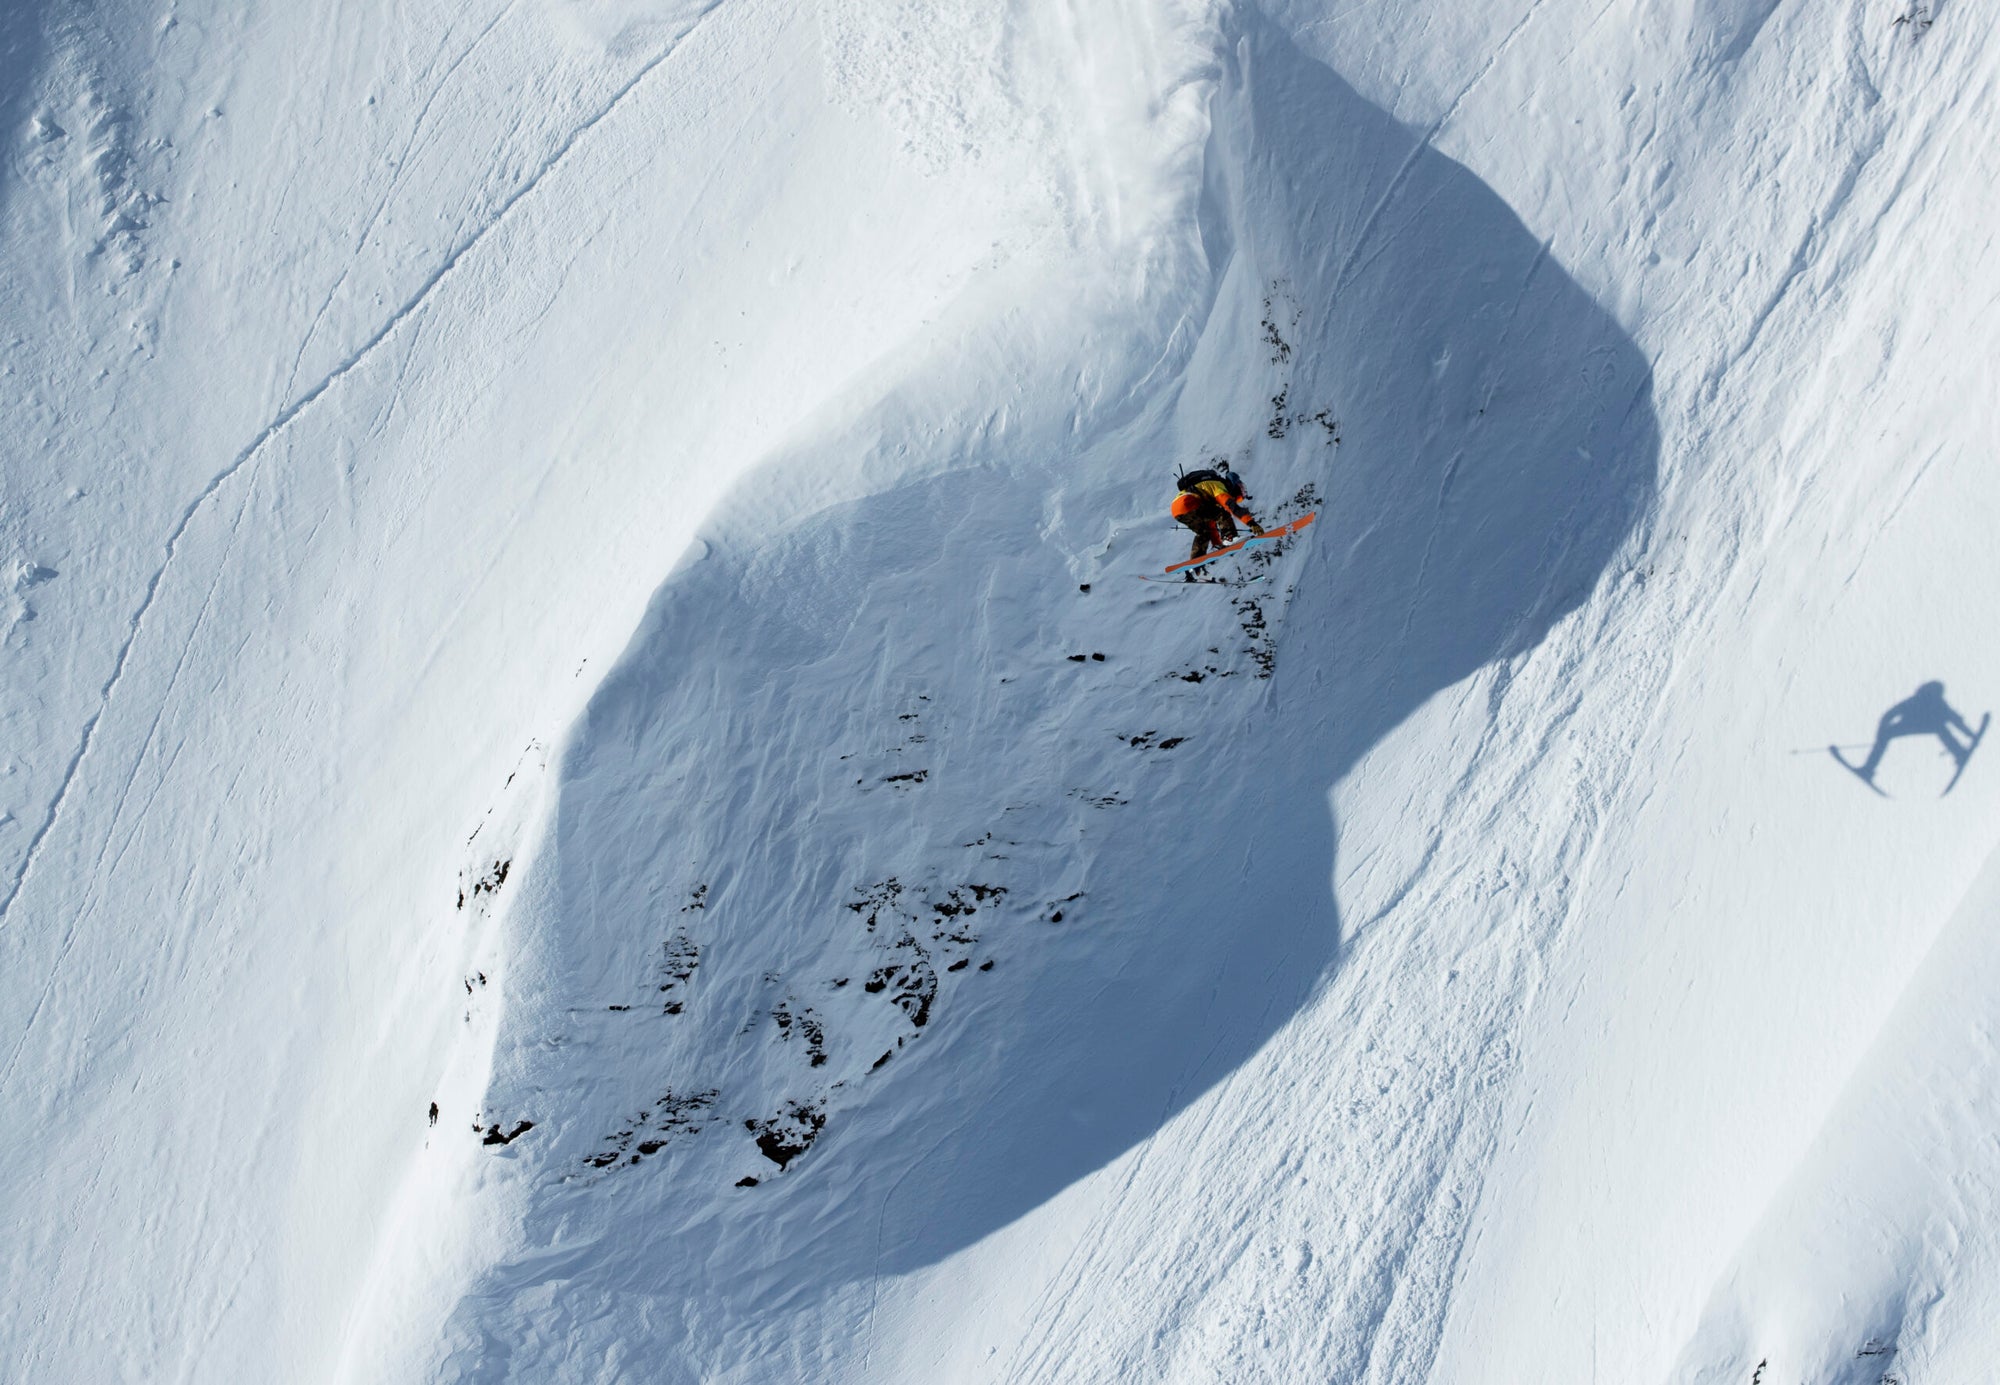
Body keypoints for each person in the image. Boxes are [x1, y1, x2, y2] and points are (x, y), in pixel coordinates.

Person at [1171, 464, 1263, 572]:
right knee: (1222, 513)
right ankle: (1230, 537)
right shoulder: (1219, 485)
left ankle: (1196, 564)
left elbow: (1211, 522)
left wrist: (1217, 544)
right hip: (1190, 501)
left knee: (1204, 532)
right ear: (1234, 486)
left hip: (1177, 509)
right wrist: (1251, 523)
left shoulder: (1208, 487)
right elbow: (1231, 506)